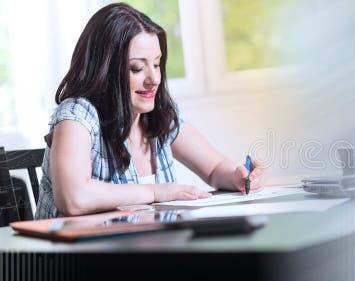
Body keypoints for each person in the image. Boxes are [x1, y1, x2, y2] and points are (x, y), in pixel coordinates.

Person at [35, 3, 267, 219]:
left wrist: (239, 176)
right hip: (79, 260)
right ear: (105, 70)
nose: (154, 79)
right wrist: (156, 192)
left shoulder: (159, 115)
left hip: (143, 253)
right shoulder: (77, 115)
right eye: (137, 68)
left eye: (156, 64)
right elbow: (73, 197)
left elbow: (215, 168)